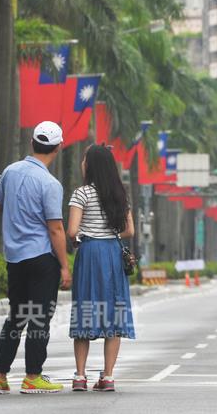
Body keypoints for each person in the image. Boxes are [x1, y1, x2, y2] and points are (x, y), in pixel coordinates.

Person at [0, 121, 72, 394]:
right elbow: (55, 228)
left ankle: (0, 376)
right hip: (41, 258)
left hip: (14, 258)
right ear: (59, 147)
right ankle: (33, 376)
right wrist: (64, 266)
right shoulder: (50, 183)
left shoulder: (10, 172)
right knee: (39, 318)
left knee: (16, 316)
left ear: (32, 143)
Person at [67, 144, 136, 392]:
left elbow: (72, 231)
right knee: (114, 311)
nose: (82, 163)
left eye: (84, 159)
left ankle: (80, 376)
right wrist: (111, 232)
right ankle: (107, 376)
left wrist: (81, 237)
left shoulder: (81, 193)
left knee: (86, 307)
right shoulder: (120, 194)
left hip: (90, 253)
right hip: (112, 253)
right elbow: (130, 231)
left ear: (90, 165)